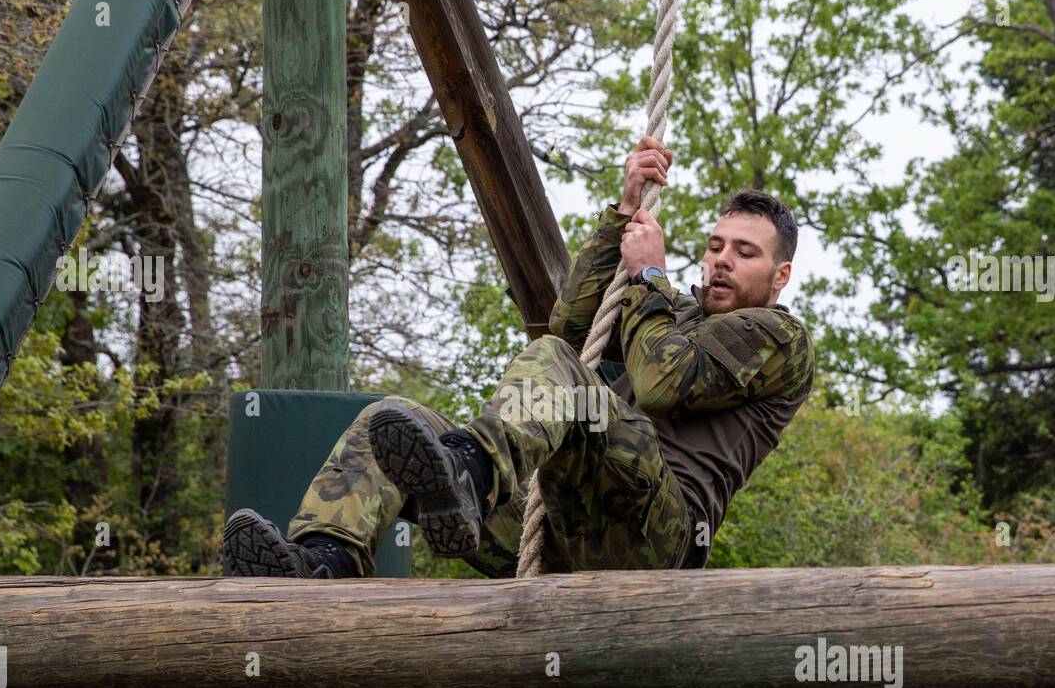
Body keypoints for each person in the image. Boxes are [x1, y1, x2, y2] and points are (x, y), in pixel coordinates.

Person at [222, 136, 814, 579]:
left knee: (563, 371)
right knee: (387, 420)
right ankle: (325, 559)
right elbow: (575, 325)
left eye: (745, 252)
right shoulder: (665, 311)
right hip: (562, 528)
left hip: (655, 543)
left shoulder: (779, 338)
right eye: (715, 247)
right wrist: (621, 214)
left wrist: (650, 275)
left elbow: (662, 383)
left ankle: (469, 473)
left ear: (780, 274)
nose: (722, 260)